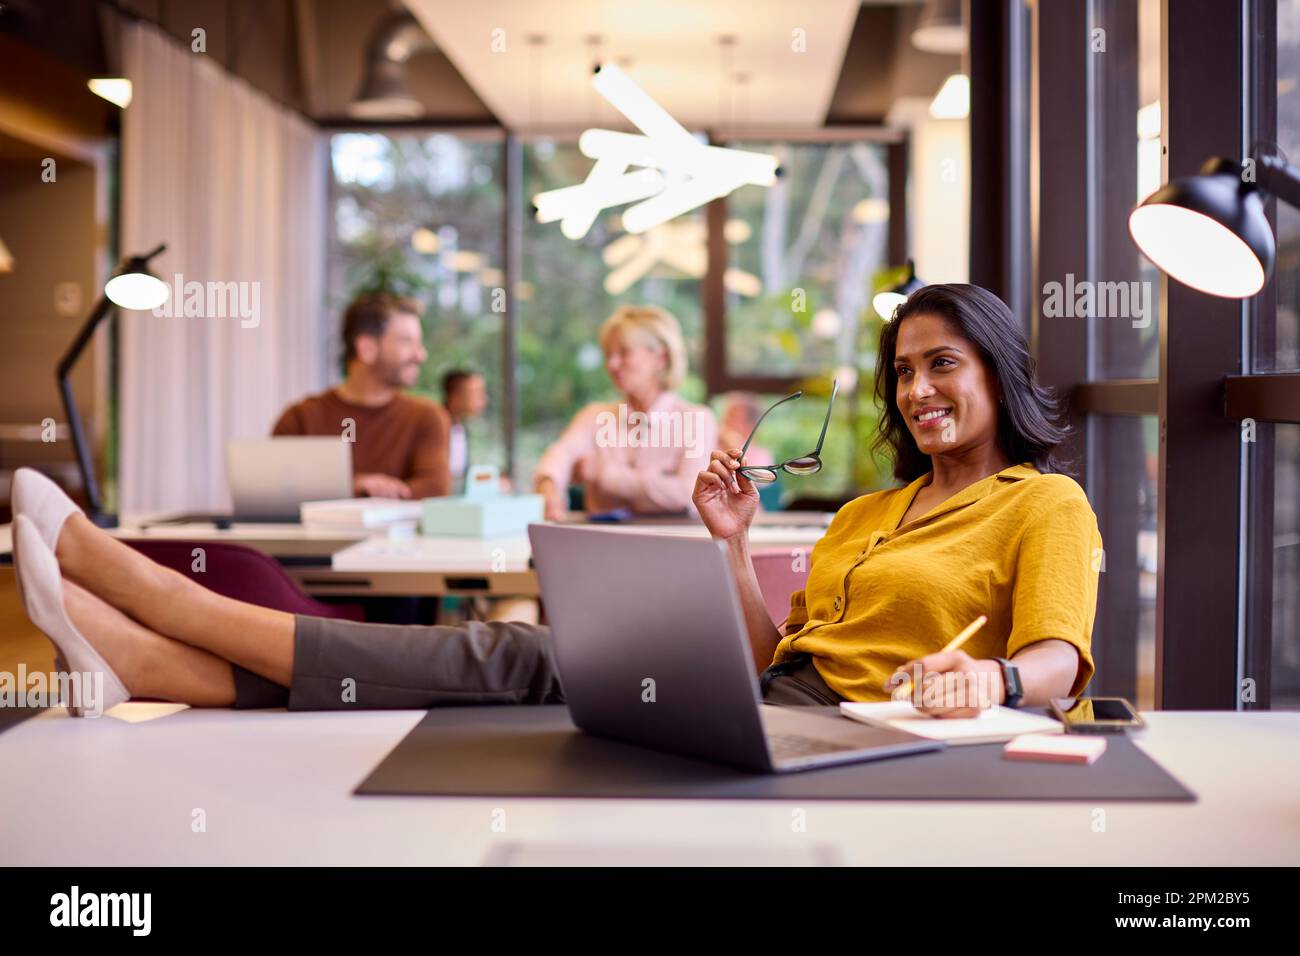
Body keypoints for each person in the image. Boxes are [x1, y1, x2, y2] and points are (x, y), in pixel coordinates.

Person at [12, 284, 1100, 718]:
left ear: (998, 369)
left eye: (940, 365)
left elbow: (1057, 663)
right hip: (775, 696)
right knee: (521, 655)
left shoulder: (1042, 505)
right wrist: (727, 548)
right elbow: (775, 648)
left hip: (856, 736)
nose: (915, 391)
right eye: (902, 371)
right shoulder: (870, 512)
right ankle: (144, 658)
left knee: (515, 656)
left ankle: (146, 595)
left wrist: (991, 673)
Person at [532, 305, 718, 521]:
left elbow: (688, 494)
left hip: (670, 546)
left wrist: (606, 476)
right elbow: (560, 454)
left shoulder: (696, 420)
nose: (612, 364)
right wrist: (549, 487)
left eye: (624, 352)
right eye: (608, 354)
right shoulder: (594, 417)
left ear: (661, 358)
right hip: (604, 547)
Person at [272, 292, 451, 500]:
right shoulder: (300, 419)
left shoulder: (427, 418)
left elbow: (434, 491)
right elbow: (275, 492)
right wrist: (356, 486)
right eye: (406, 342)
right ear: (367, 348)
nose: (420, 355)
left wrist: (341, 491)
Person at [441, 369, 487, 494]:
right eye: (477, 393)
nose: (484, 399)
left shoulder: (462, 429)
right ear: (455, 397)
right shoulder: (436, 428)